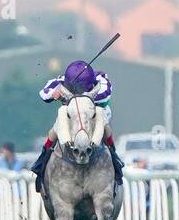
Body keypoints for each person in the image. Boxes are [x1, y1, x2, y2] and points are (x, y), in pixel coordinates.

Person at [28, 59, 123, 193]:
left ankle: (114, 158)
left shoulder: (101, 78)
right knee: (53, 133)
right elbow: (44, 92)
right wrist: (53, 93)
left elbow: (105, 94)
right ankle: (42, 162)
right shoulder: (62, 80)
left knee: (106, 130)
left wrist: (81, 98)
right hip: (71, 116)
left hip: (95, 114)